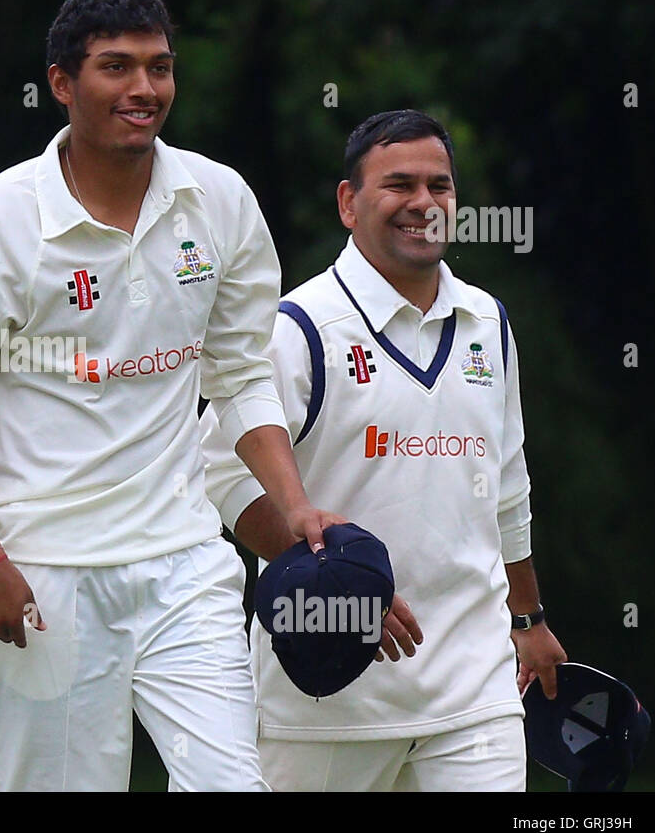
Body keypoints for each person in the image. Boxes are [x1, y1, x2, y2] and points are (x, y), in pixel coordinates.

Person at [0, 0, 341, 791]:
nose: (144, 89)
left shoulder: (220, 200)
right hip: (43, 573)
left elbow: (239, 375)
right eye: (116, 67)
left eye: (160, 68)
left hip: (183, 560)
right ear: (62, 83)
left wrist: (294, 501)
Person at [200, 109, 568, 791]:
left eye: (440, 186)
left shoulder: (488, 320)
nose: (424, 203)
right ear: (349, 202)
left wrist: (528, 617)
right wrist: (337, 587)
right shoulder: (296, 328)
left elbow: (508, 484)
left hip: (473, 690)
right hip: (326, 697)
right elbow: (220, 470)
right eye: (399, 184)